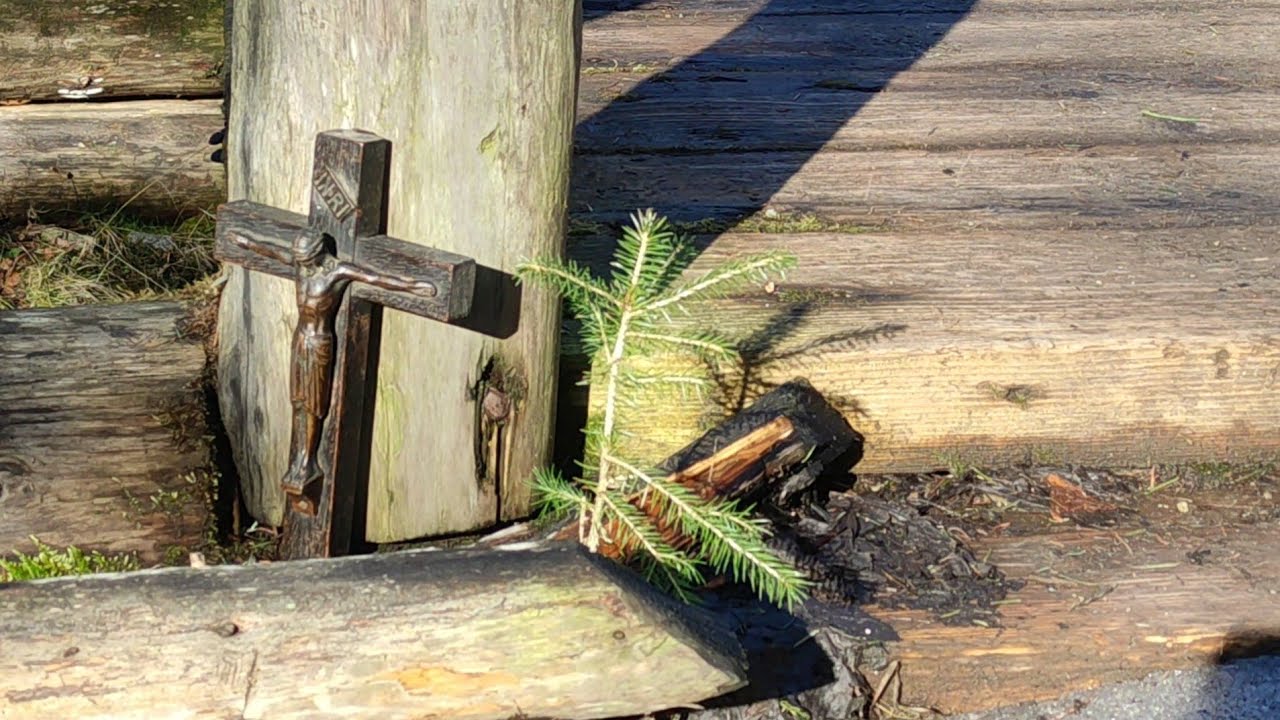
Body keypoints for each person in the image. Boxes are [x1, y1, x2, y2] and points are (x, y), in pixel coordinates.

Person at [231, 231, 437, 514]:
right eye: (300, 259)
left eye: (306, 258)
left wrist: (414, 286)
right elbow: (269, 249)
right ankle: (300, 459)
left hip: (319, 342)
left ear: (319, 252)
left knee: (315, 404)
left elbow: (376, 278)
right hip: (300, 340)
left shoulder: (337, 271)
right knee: (298, 401)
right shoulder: (301, 266)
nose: (302, 264)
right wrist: (245, 241)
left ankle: (308, 460)